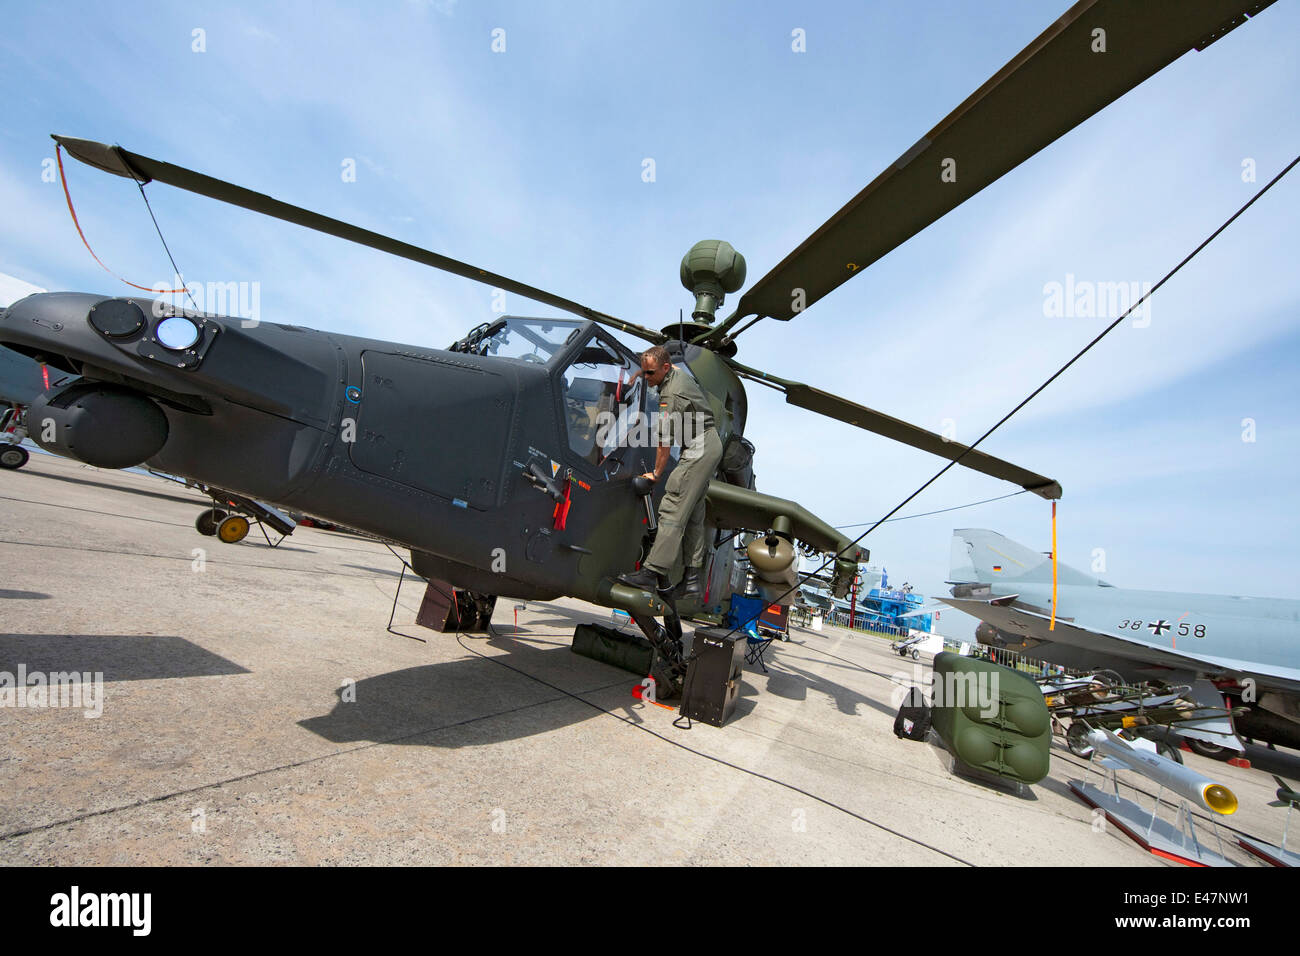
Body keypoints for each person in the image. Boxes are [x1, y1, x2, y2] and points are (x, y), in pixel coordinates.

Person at [619, 346, 723, 595]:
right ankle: (691, 579)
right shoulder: (674, 372)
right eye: (645, 373)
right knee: (695, 513)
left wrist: (655, 474)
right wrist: (636, 375)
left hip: (698, 448)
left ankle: (651, 572)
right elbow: (665, 366)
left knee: (672, 507)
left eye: (650, 374)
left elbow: (664, 443)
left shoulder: (670, 397)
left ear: (665, 368)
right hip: (707, 445)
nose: (647, 378)